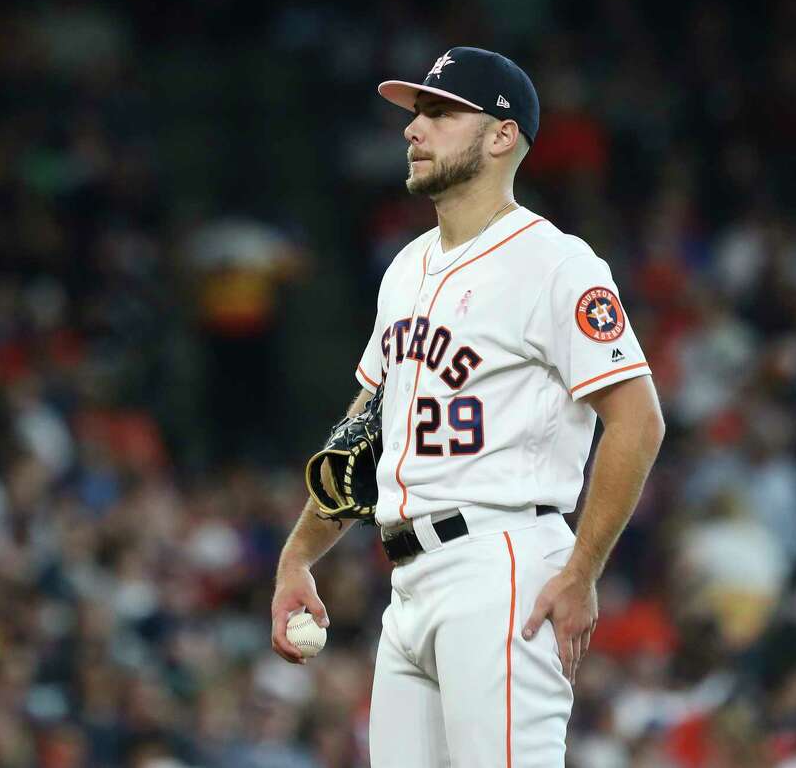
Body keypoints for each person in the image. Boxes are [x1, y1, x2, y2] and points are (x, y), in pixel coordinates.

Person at [270, 47, 666, 767]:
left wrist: (581, 571)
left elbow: (638, 420)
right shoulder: (406, 267)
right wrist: (299, 555)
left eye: (440, 112)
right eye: (417, 113)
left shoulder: (555, 262)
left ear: (501, 136)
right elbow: (364, 433)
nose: (413, 130)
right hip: (409, 581)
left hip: (503, 562)